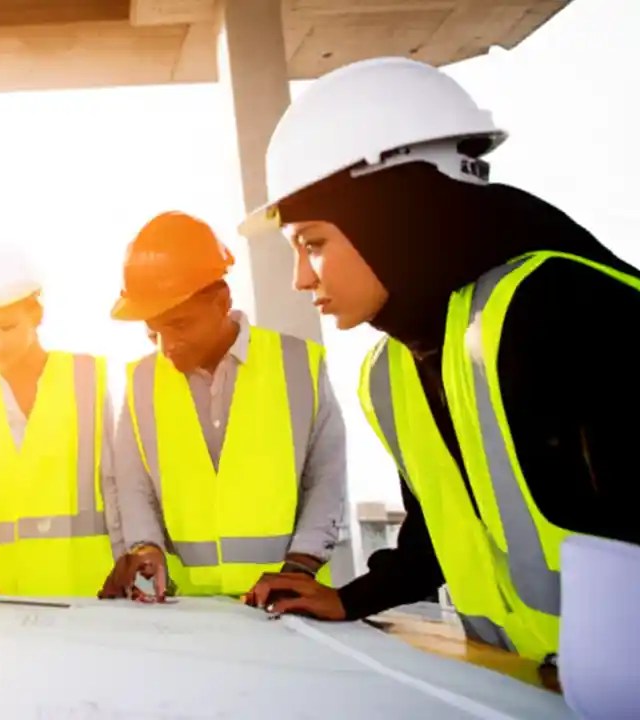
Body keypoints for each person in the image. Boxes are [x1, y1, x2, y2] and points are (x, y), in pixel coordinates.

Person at [239, 57, 640, 670]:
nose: (299, 278)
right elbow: (440, 534)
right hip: (532, 687)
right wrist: (351, 599)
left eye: (313, 244)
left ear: (391, 214)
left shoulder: (568, 306)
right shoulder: (395, 366)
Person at [99, 211, 347, 602]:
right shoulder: (141, 380)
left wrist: (301, 566)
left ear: (221, 301)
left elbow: (326, 477)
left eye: (179, 325)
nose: (167, 346)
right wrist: (145, 549)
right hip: (184, 609)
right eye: (154, 331)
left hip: (286, 606)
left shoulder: (297, 364)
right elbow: (134, 485)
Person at [0, 243, 122, 598]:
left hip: (82, 596)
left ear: (37, 315)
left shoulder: (86, 379)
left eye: (7, 326)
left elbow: (114, 483)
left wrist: (128, 564)